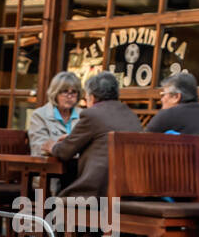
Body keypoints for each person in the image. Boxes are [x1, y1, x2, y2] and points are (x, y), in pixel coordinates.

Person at [45, 70, 142, 199]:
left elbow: (64, 152)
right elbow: (101, 139)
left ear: (92, 97)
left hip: (99, 191)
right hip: (131, 190)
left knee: (54, 201)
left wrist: (52, 147)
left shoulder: (92, 114)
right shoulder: (130, 114)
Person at [145, 71, 199, 135]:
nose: (162, 99)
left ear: (176, 97)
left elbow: (143, 140)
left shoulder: (169, 114)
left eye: (164, 94)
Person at [26, 72, 83, 156]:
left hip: (79, 163)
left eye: (73, 92)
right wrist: (64, 147)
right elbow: (39, 148)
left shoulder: (83, 115)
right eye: (65, 91)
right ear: (55, 93)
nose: (69, 96)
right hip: (50, 163)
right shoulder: (39, 115)